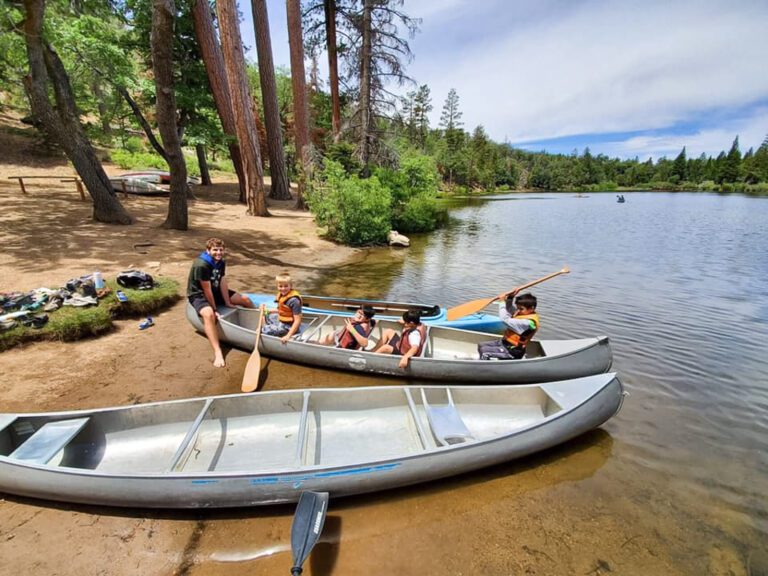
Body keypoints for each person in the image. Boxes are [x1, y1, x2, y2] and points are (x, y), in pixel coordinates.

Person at [187, 237, 254, 367]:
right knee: (209, 315)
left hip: (215, 290)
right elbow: (206, 290)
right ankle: (218, 351)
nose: (218, 253)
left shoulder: (220, 262)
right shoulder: (201, 265)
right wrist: (214, 309)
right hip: (199, 295)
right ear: (208, 250)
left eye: (221, 250)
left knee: (245, 299)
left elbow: (222, 281)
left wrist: (227, 301)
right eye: (215, 250)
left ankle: (257, 322)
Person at [478, 290, 539, 360]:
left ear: (532, 308)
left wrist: (501, 302)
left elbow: (504, 319)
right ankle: (486, 362)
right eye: (518, 308)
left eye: (521, 309)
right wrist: (510, 298)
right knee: (481, 345)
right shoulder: (522, 313)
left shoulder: (527, 323)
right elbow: (509, 309)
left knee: (485, 352)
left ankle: (485, 368)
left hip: (512, 351)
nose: (518, 310)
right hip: (505, 343)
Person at [262, 272, 303, 343]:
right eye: (280, 286)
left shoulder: (294, 301)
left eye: (286, 286)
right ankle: (272, 327)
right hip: (282, 321)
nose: (283, 289)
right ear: (277, 286)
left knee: (265, 329)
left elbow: (297, 321)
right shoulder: (282, 295)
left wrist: (288, 336)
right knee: (267, 315)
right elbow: (281, 310)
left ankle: (267, 329)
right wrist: (266, 311)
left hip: (289, 327)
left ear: (291, 286)